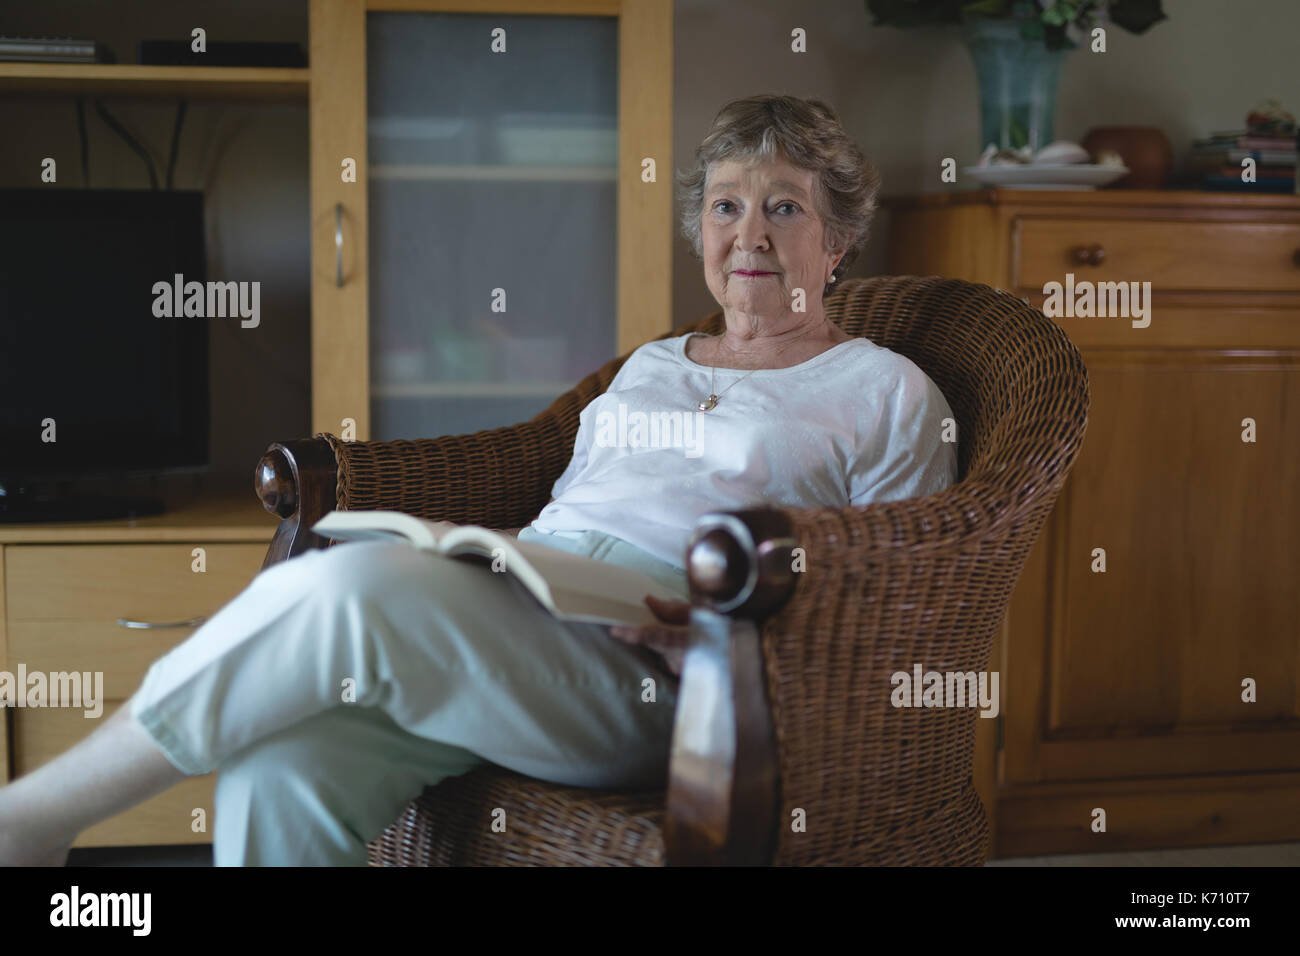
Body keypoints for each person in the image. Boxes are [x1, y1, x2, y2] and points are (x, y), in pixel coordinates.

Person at [0, 94, 956, 866]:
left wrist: (716, 630)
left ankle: (37, 819)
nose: (749, 233)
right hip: (532, 606)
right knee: (284, 763)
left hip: (677, 678)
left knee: (344, 587)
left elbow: (902, 598)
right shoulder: (652, 365)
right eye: (725, 205)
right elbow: (570, 500)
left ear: (836, 242)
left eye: (783, 205)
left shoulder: (885, 391)